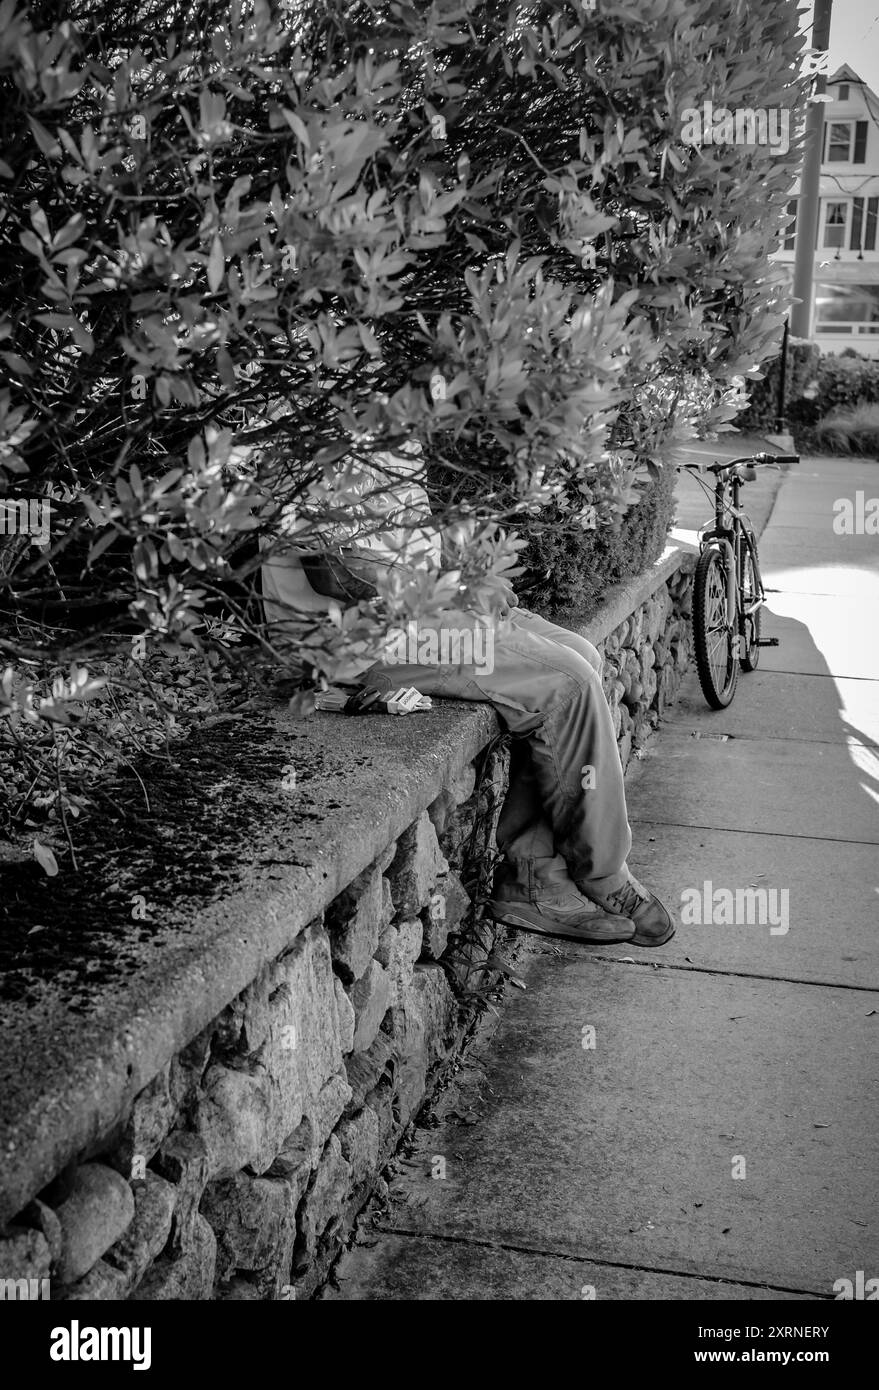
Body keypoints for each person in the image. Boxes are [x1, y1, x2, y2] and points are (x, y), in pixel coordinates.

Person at [261, 444, 674, 948]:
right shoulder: (318, 433)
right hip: (356, 643)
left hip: (416, 620)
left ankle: (534, 874)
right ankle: (599, 873)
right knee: (567, 683)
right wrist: (457, 590)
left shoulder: (393, 427)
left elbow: (406, 539)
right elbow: (335, 570)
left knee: (581, 654)